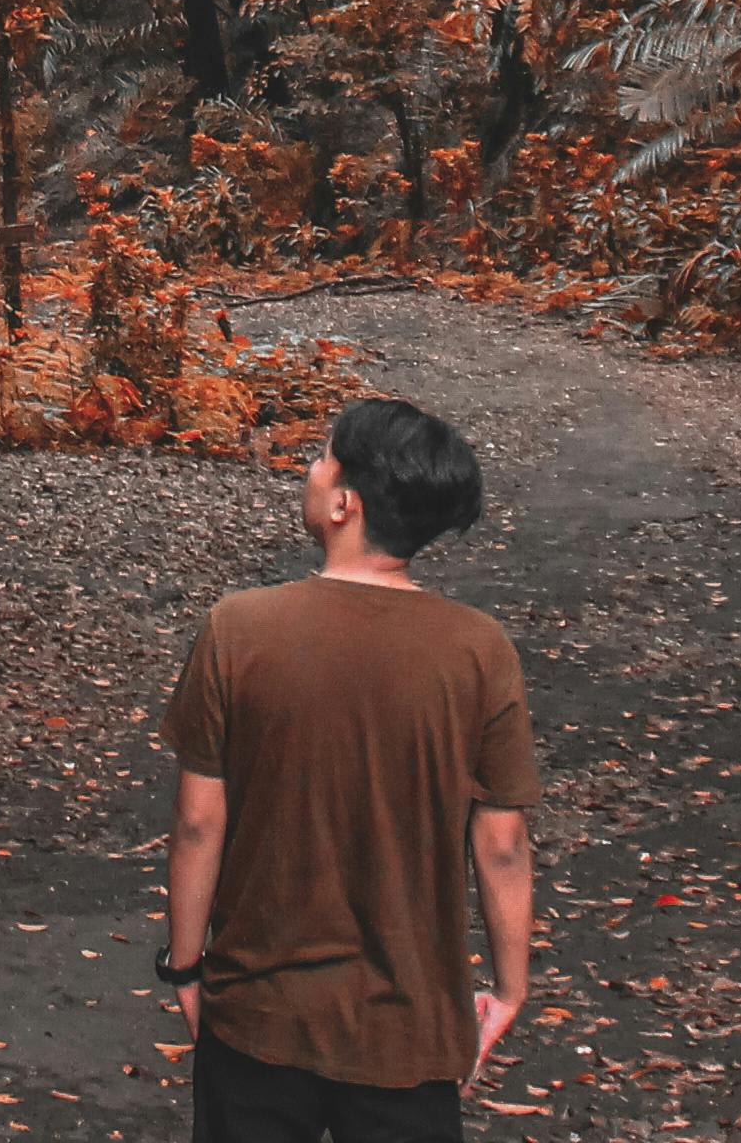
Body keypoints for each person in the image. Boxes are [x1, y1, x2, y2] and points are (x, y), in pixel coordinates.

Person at [156, 397, 539, 1143]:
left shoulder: (239, 629)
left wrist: (185, 968)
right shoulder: (478, 650)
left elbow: (199, 822)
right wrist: (508, 989)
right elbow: (502, 845)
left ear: (344, 501)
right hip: (410, 1031)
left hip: (258, 1015)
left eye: (320, 456)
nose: (308, 469)